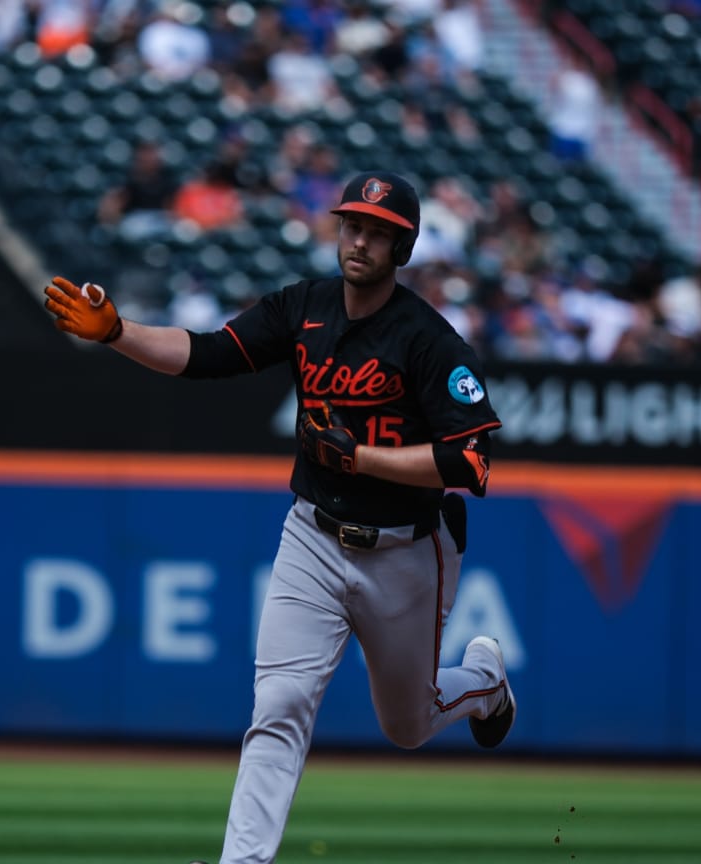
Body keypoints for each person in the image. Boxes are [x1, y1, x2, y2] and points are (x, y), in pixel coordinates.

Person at [42, 171, 516, 864]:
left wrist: (360, 460)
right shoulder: (304, 308)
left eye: (379, 233)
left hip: (408, 550)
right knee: (280, 705)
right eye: (353, 225)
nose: (360, 240)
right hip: (314, 537)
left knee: (409, 724)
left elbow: (469, 463)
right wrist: (117, 331)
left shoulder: (428, 340)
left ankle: (483, 681)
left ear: (402, 248)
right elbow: (208, 354)